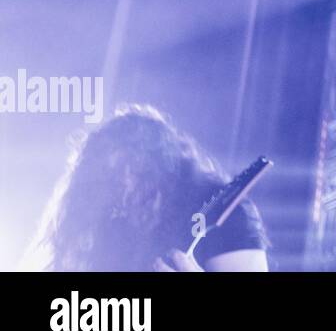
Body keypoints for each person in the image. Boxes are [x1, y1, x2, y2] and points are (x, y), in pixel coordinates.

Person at [29, 103, 269, 272]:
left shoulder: (228, 218)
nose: (125, 187)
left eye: (138, 172)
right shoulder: (107, 228)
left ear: (168, 175)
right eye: (110, 178)